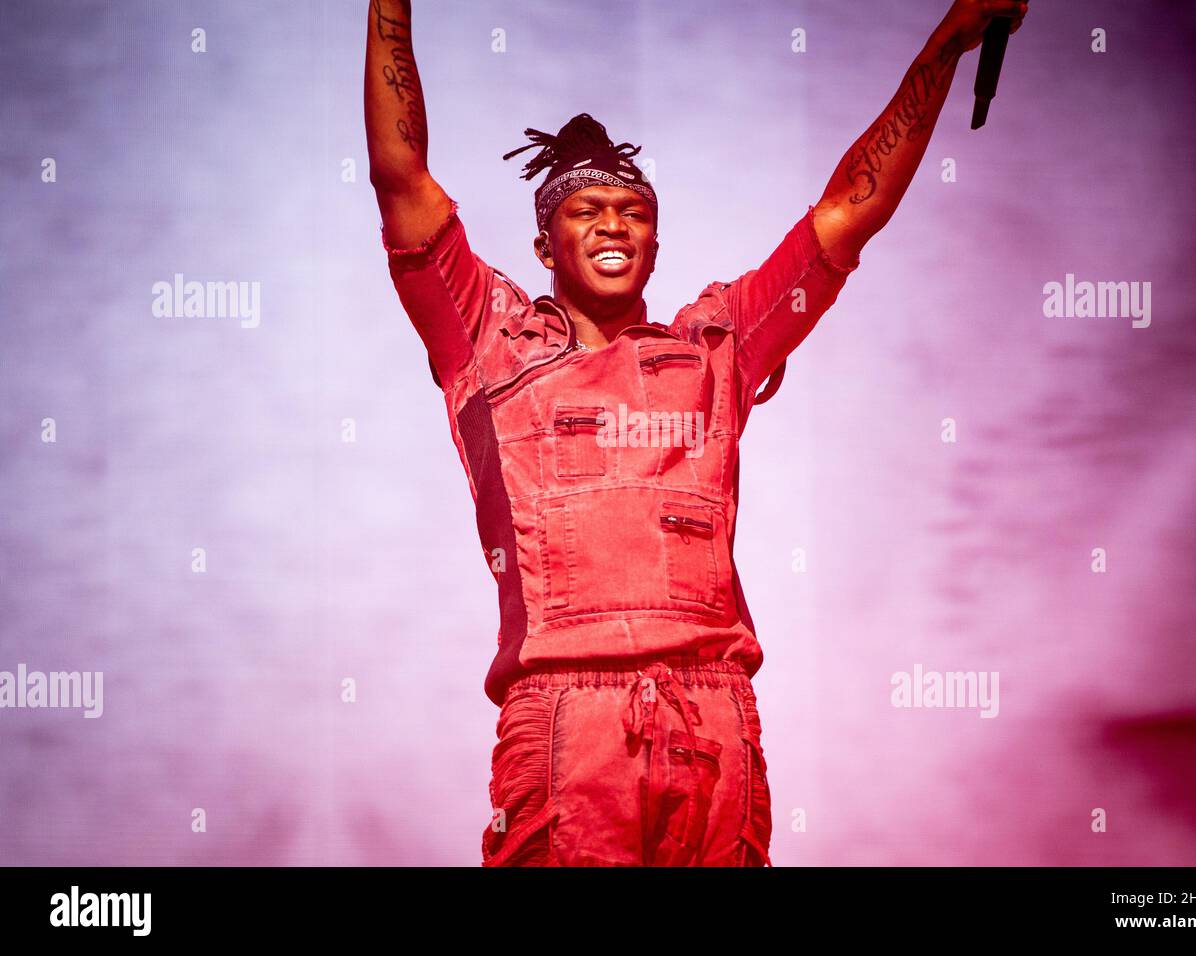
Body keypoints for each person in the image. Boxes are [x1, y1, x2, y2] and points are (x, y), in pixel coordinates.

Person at [364, 0, 1029, 866]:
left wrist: (949, 41)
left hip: (714, 713)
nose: (613, 224)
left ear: (655, 238)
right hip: (569, 720)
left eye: (632, 212)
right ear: (544, 245)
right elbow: (401, 177)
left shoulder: (717, 347)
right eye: (586, 211)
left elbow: (844, 217)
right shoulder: (491, 343)